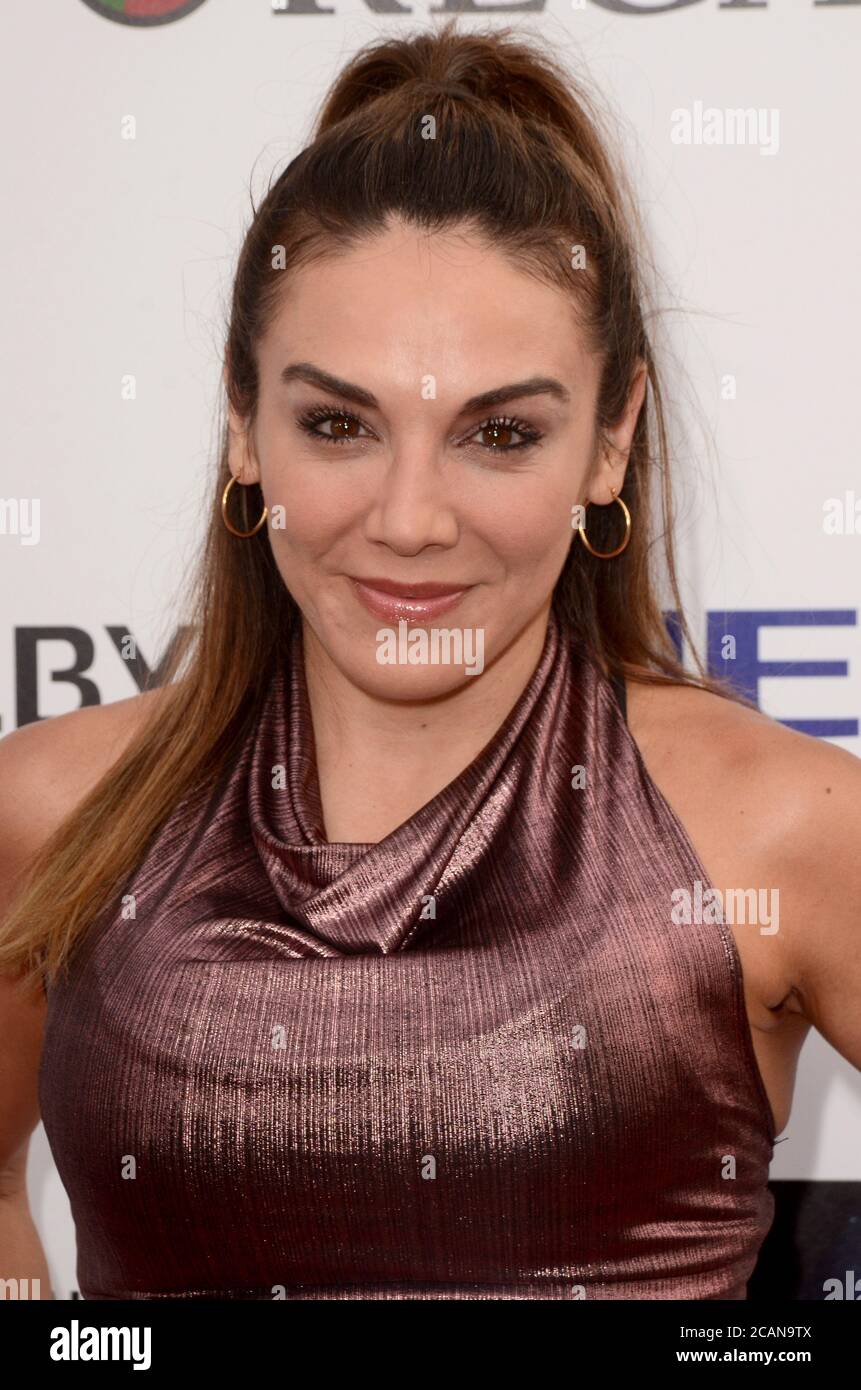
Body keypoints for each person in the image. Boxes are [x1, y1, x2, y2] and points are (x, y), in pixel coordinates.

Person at [1, 20, 859, 1301]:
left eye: (499, 433)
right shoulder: (54, 811)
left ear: (609, 441)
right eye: (338, 422)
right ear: (243, 422)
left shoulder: (779, 829)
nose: (409, 518)